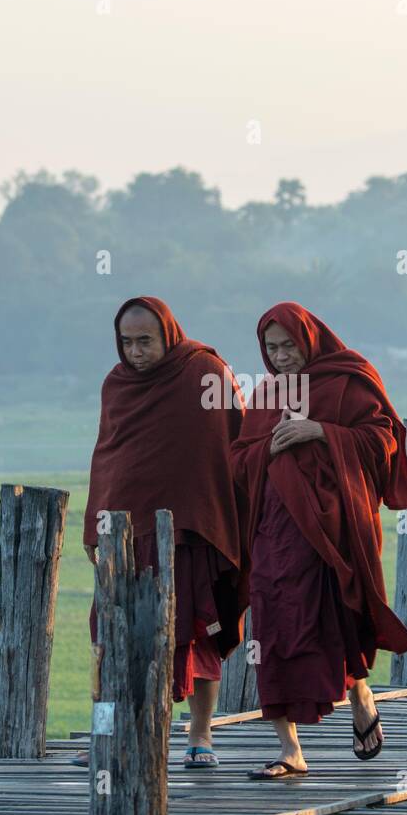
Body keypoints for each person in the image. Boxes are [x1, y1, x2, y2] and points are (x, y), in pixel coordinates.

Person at [231, 302, 407, 778]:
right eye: (270, 348)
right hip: (272, 531)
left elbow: (383, 439)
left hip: (331, 530)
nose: (279, 357)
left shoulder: (347, 379)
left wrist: (320, 431)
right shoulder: (267, 393)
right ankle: (289, 750)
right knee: (271, 628)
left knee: (332, 619)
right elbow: (237, 460)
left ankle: (360, 695)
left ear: (309, 338)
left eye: (288, 346)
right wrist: (266, 449)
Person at [80, 296, 247, 767]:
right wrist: (96, 524)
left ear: (168, 334)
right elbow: (107, 456)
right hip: (125, 534)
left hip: (189, 530)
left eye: (145, 341)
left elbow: (234, 440)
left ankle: (201, 735)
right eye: (126, 342)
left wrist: (217, 517)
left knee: (198, 630)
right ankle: (111, 736)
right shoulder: (116, 385)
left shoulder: (204, 373)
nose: (135, 352)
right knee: (112, 633)